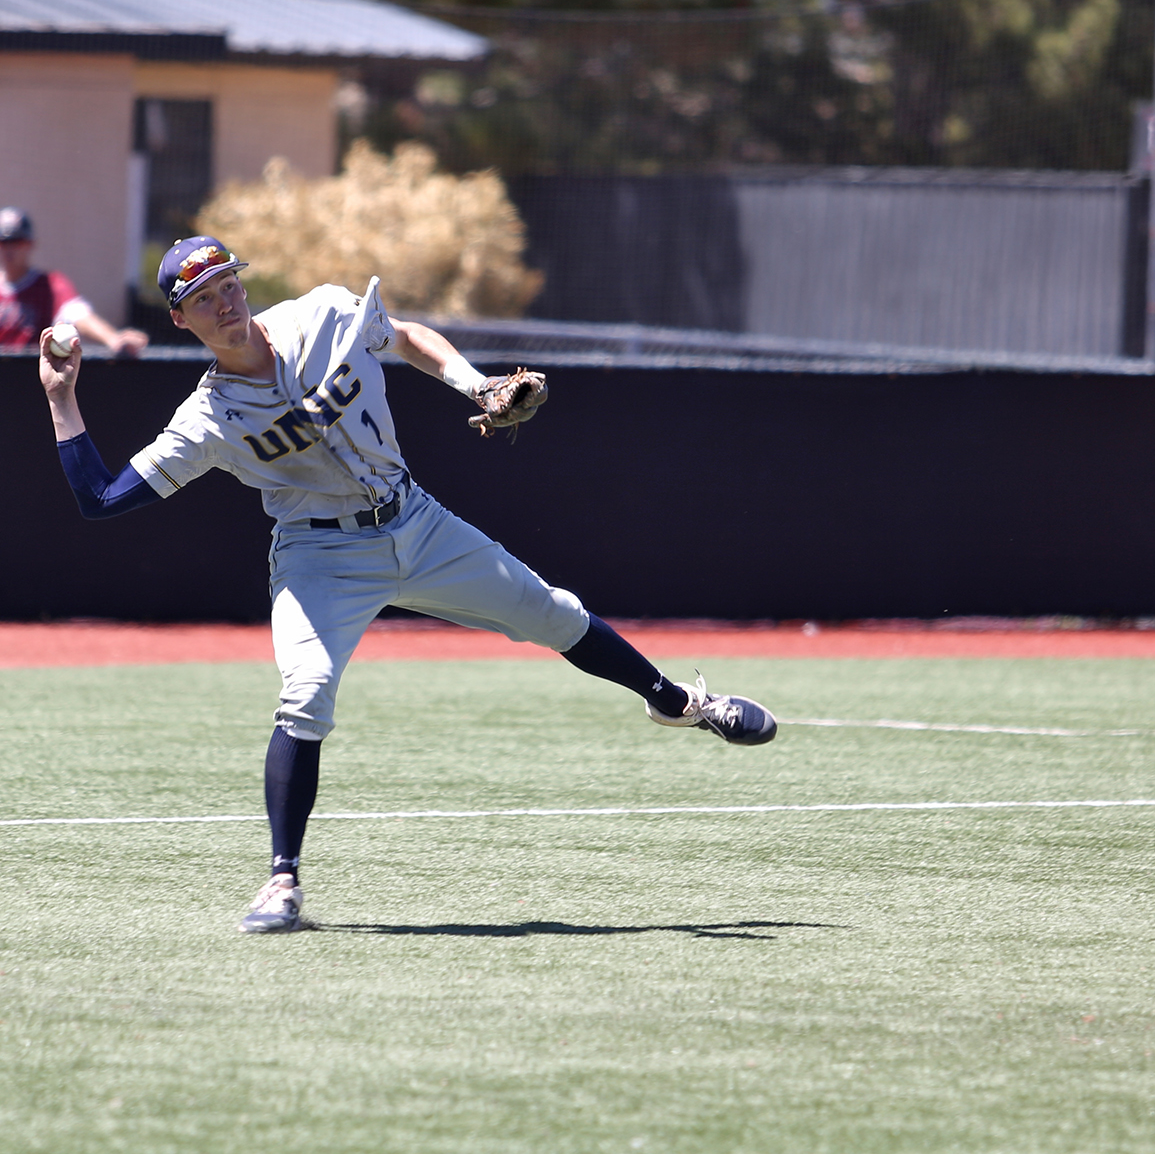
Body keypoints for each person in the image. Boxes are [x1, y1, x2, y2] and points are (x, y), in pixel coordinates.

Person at [38, 235, 780, 933]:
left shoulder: (323, 314)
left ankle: (680, 702)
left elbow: (405, 338)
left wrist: (476, 384)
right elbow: (100, 498)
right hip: (318, 555)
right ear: (180, 318)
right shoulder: (206, 418)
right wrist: (61, 395)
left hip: (416, 521)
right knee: (306, 691)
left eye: (228, 284)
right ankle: (282, 879)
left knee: (553, 612)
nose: (224, 303)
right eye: (203, 298)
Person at [0, 207, 149, 357]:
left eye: (17, 242)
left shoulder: (51, 285)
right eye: (2, 242)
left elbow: (79, 315)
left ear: (30, 244)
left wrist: (113, 339)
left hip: (28, 385)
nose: (9, 249)